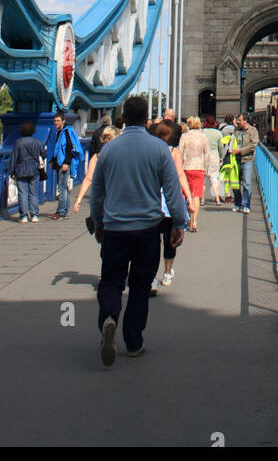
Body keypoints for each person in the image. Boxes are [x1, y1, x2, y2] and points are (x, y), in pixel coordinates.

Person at [90, 94, 186, 365]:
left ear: (124, 115)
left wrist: (98, 224)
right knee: (140, 286)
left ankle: (109, 317)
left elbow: (97, 193)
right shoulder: (158, 149)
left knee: (111, 281)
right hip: (147, 229)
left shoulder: (108, 150)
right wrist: (178, 223)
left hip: (115, 229)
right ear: (146, 119)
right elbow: (172, 191)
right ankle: (133, 342)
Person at [150, 121, 192, 290]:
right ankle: (167, 273)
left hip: (151, 202)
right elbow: (180, 175)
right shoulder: (174, 152)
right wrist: (189, 196)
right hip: (168, 202)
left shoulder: (149, 150)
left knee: (152, 244)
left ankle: (151, 279)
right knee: (170, 240)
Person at [179, 116, 217, 231]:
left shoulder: (184, 136)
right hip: (198, 167)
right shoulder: (203, 137)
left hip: (186, 168)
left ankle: (188, 218)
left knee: (186, 194)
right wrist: (205, 168)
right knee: (196, 195)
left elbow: (180, 152)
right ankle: (195, 221)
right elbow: (207, 154)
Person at [73, 126, 120, 213]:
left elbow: (88, 179)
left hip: (103, 199)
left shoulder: (98, 156)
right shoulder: (123, 156)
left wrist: (79, 200)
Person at [8, 121, 47, 223]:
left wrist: (11, 171)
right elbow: (44, 154)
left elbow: (14, 158)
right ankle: (35, 215)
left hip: (21, 170)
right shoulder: (38, 142)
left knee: (23, 193)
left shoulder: (18, 142)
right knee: (33, 193)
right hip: (34, 170)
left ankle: (23, 216)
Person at [49, 113, 84, 220]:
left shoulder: (66, 132)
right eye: (55, 121)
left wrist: (66, 163)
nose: (56, 123)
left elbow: (69, 148)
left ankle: (62, 212)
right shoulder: (59, 132)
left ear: (63, 121)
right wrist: (52, 161)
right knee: (64, 187)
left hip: (64, 163)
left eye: (58, 121)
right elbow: (58, 149)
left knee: (62, 188)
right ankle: (62, 211)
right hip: (60, 162)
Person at [235, 112, 259, 215]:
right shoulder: (236, 131)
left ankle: (246, 205)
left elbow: (254, 145)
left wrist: (240, 150)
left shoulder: (252, 131)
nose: (237, 121)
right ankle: (238, 203)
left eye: (239, 120)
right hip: (235, 160)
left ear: (245, 121)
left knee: (247, 184)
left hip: (247, 160)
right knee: (235, 184)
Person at [202, 116, 224, 207]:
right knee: (214, 178)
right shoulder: (218, 133)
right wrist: (221, 157)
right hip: (214, 156)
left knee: (203, 179)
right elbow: (221, 147)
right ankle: (217, 199)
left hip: (204, 155)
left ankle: (202, 199)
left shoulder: (202, 132)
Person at [219, 122, 241, 208]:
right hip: (231, 158)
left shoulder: (222, 130)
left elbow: (222, 142)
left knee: (225, 178)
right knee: (231, 177)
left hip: (226, 158)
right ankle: (229, 196)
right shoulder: (232, 132)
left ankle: (226, 195)